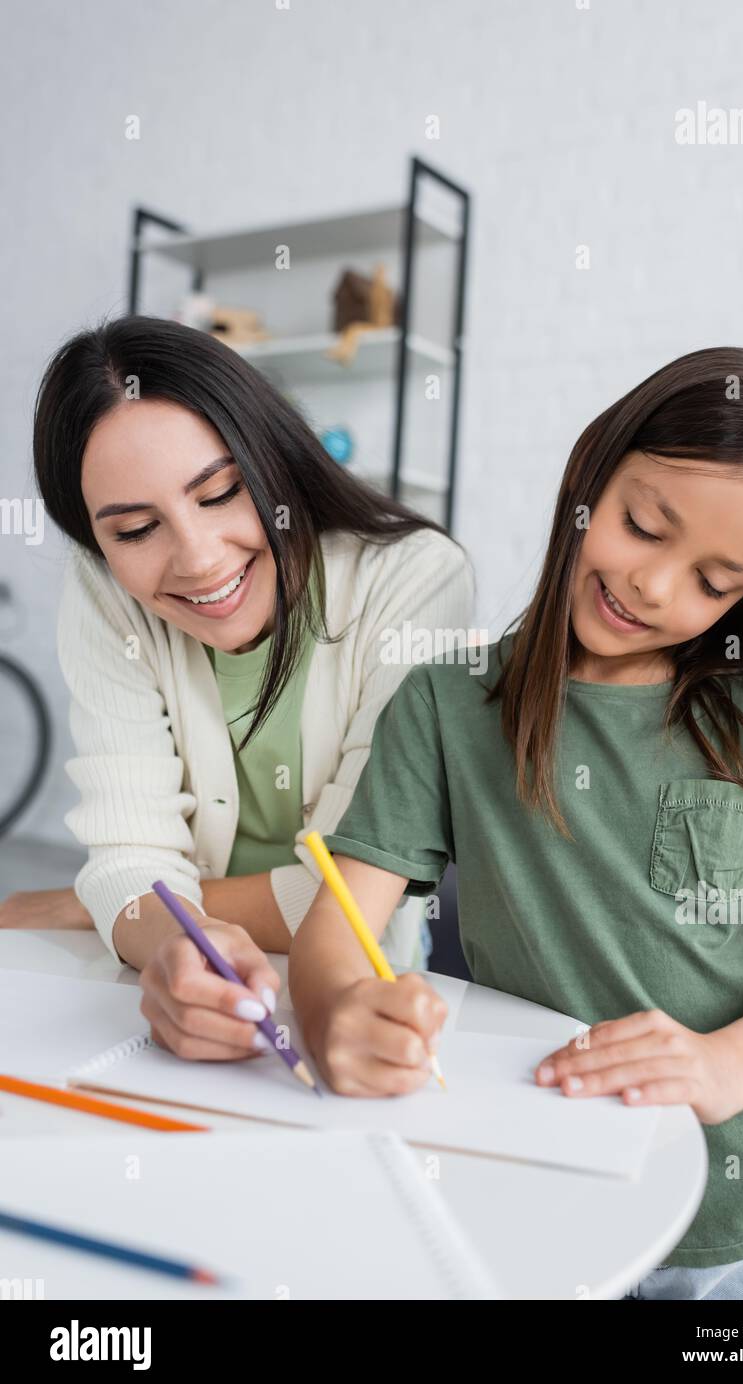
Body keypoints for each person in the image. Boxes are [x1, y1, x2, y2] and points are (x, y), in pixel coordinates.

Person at [289, 346, 743, 1299]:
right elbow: (336, 929)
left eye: (714, 582)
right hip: (554, 1179)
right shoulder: (446, 704)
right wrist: (334, 1013)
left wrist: (722, 1068)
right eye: (644, 526)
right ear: (592, 472)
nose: (653, 587)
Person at [3, 314, 473, 1062]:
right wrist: (167, 939)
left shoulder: (414, 577)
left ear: (274, 456)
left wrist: (113, 907)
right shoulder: (103, 594)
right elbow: (129, 849)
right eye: (132, 531)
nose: (197, 560)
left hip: (368, 987)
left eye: (219, 492)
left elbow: (355, 892)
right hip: (203, 992)